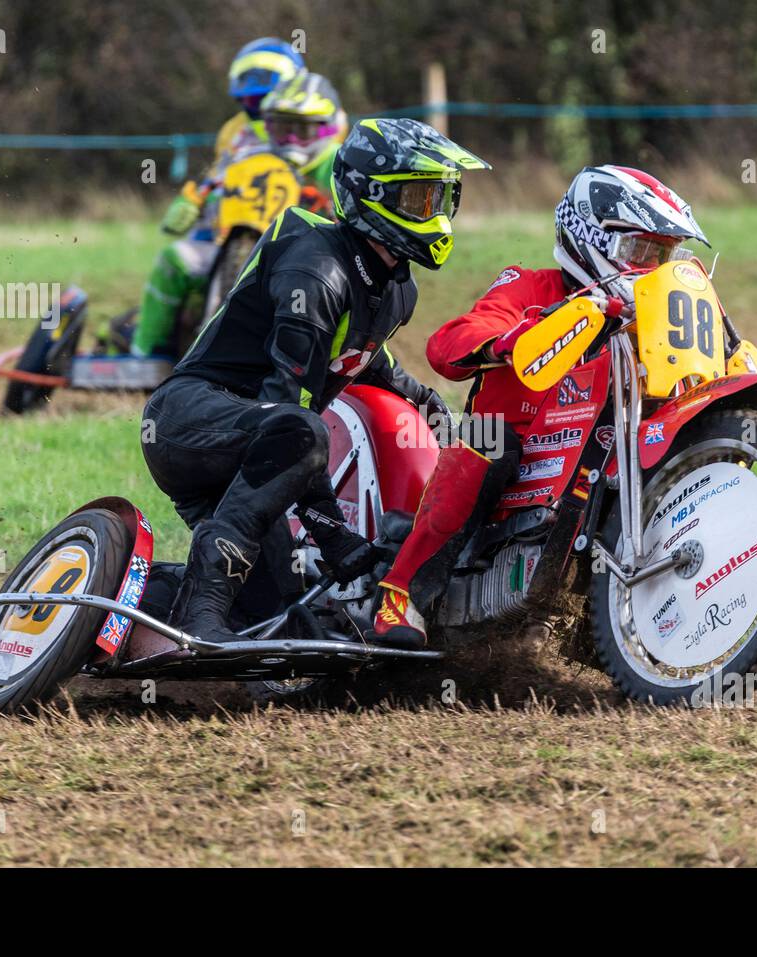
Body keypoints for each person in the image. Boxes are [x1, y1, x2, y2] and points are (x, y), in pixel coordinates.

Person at [140, 118, 491, 643]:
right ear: (373, 197)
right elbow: (290, 418)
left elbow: (364, 361)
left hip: (253, 456)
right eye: (421, 199)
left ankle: (122, 607)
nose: (435, 215)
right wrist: (332, 535)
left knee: (270, 613)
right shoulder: (316, 271)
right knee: (303, 432)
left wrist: (428, 405)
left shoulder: (396, 289)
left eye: (442, 200)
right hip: (187, 420)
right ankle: (201, 622)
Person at [371, 165, 710, 648]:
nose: (652, 268)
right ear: (592, 238)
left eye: (664, 257)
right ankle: (400, 592)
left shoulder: (652, 324)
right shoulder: (530, 286)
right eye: (641, 252)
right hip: (520, 450)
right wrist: (505, 341)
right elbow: (448, 344)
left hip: (596, 449)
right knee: (489, 443)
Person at [130, 37, 305, 358]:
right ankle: (143, 353)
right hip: (225, 234)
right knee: (173, 260)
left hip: (294, 242)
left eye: (265, 100)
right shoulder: (233, 132)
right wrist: (193, 200)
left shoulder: (316, 122)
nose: (259, 110)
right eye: (250, 102)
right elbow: (218, 175)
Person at [260, 71, 348, 216]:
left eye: (303, 130)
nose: (291, 139)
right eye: (281, 129)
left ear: (328, 129)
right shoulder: (257, 160)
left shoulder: (346, 166)